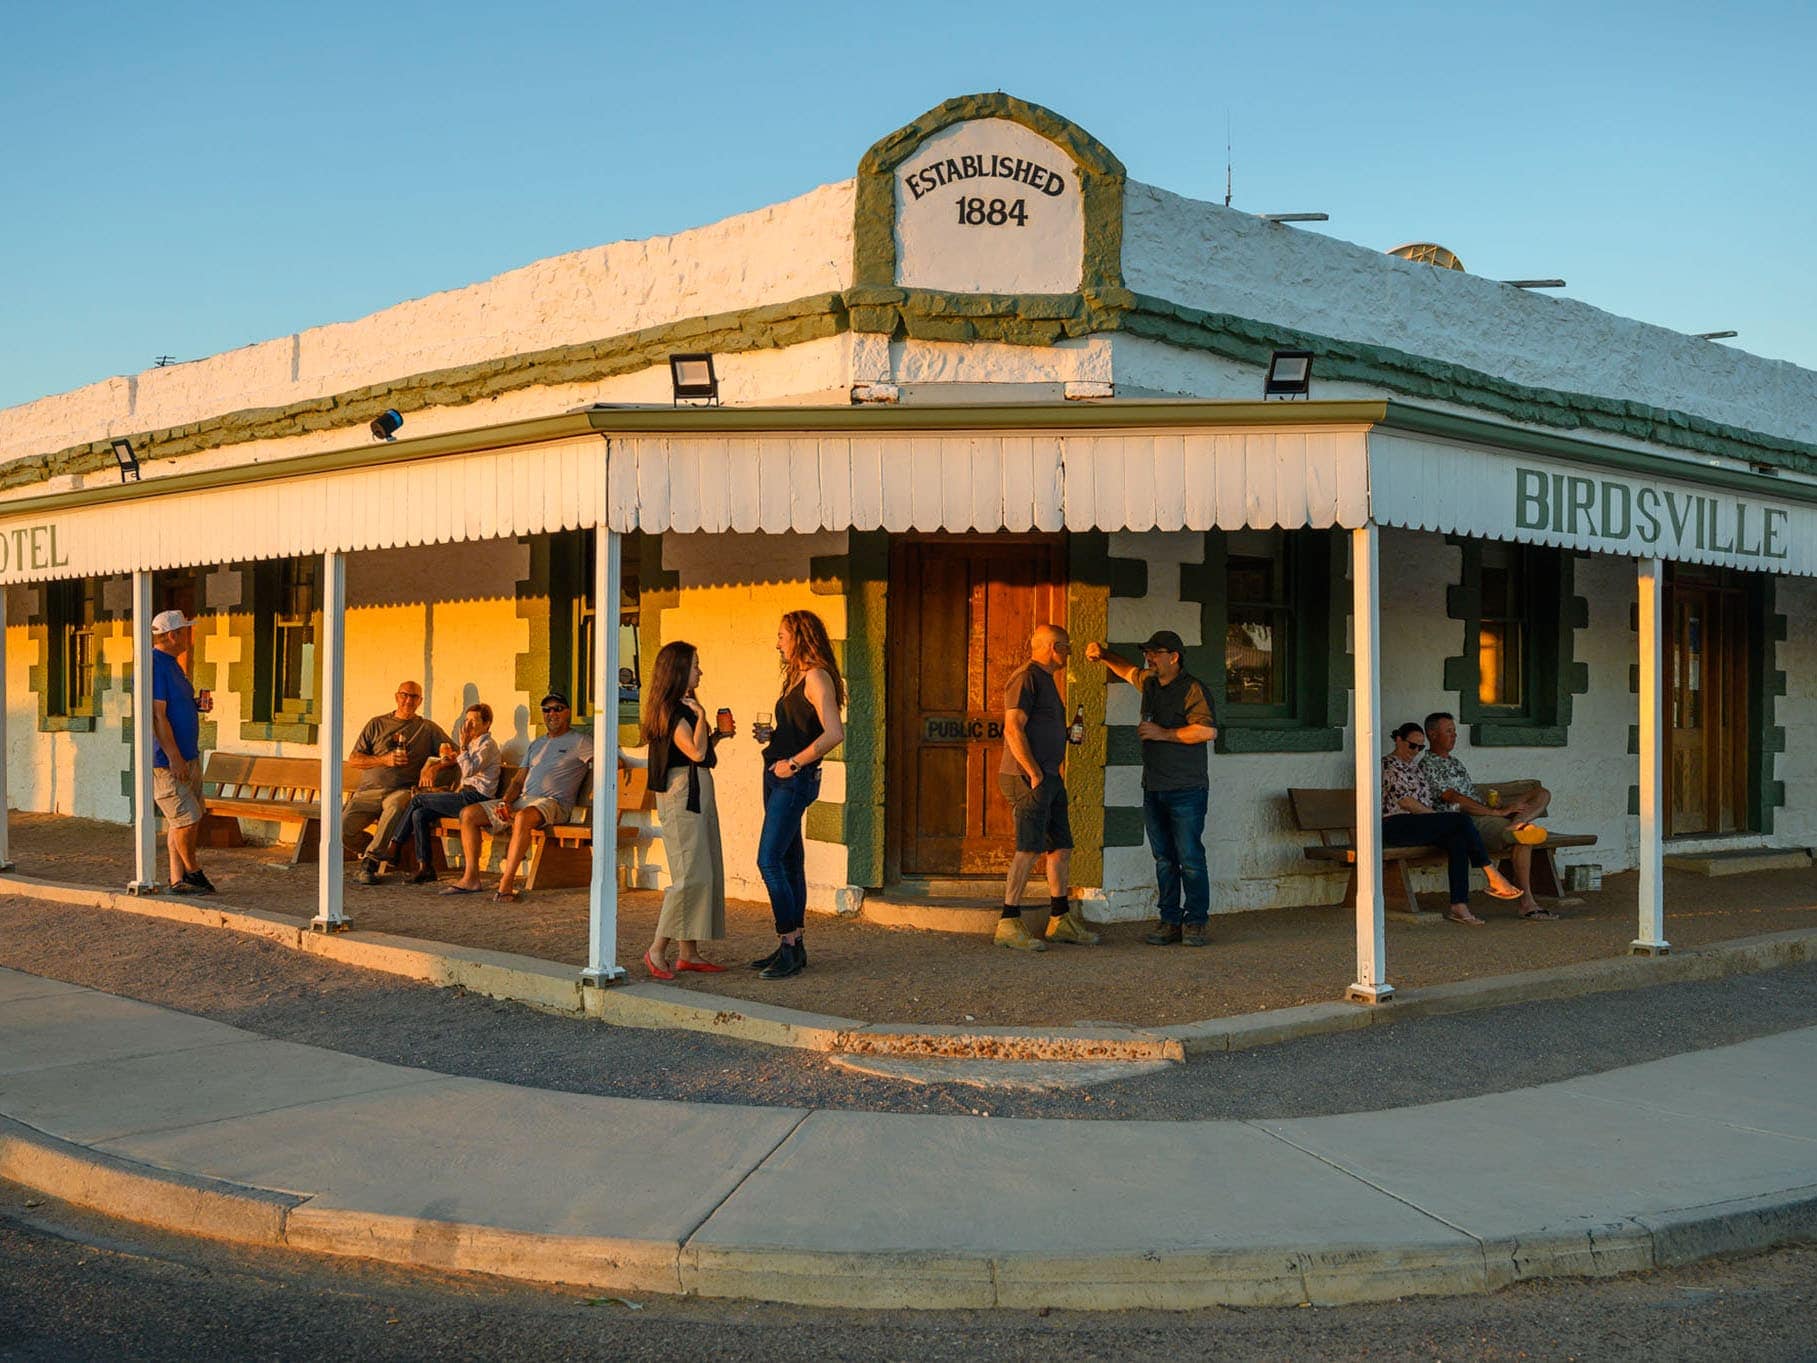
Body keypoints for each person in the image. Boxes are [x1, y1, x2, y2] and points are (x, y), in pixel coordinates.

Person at [1083, 630, 1218, 946]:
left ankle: (1196, 922)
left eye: (1155, 653)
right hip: (1154, 786)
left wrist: (1163, 733)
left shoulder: (1193, 688)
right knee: (1164, 859)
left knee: (1190, 858)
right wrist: (1103, 655)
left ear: (1174, 657)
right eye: (1147, 653)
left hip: (1186, 788)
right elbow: (1127, 670)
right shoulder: (1151, 683)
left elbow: (1207, 731)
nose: (1149, 658)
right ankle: (1169, 921)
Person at [750, 609, 845, 980]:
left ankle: (788, 942)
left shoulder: (818, 677)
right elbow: (800, 729)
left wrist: (792, 762)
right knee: (789, 860)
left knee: (768, 860)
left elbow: (833, 733)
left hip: (792, 779)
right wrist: (773, 739)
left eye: (782, 636)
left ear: (801, 636)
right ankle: (794, 945)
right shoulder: (796, 677)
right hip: (776, 774)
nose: (778, 643)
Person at [996, 623, 1095, 952]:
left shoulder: (1047, 680)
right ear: (1052, 647)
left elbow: (1038, 726)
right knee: (1028, 848)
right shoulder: (1027, 677)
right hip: (1029, 777)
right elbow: (1013, 728)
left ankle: (1059, 919)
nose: (1068, 653)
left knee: (1060, 848)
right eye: (1066, 647)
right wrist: (1034, 772)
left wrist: (1063, 735)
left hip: (1050, 775)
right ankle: (1008, 922)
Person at [442, 692, 592, 900]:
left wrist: (616, 766)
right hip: (524, 799)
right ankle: (471, 878)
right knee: (469, 814)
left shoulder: (580, 741)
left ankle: (506, 884)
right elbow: (518, 781)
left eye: (557, 708)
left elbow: (608, 762)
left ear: (568, 712)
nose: (552, 714)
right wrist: (505, 802)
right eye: (547, 710)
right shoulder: (537, 744)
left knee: (522, 818)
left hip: (554, 804)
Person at [639, 642, 729, 978]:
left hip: (695, 788)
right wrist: (703, 718)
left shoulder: (681, 707)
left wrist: (716, 735)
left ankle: (688, 952)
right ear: (679, 670)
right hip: (682, 793)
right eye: (695, 665)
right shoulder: (673, 710)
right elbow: (693, 751)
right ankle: (657, 949)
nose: (700, 671)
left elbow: (698, 752)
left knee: (704, 868)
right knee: (689, 873)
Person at [1380, 722, 1524, 924]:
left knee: (1458, 839)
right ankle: (1492, 874)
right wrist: (1435, 817)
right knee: (1460, 821)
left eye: (1420, 748)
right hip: (1395, 825)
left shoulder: (1414, 767)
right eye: (1412, 745)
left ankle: (1459, 905)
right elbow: (1406, 802)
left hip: (1419, 823)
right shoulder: (1387, 765)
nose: (1415, 751)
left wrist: (1437, 818)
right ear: (1398, 740)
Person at [1420, 711, 1559, 920]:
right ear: (1432, 734)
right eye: (1449, 731)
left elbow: (1469, 795)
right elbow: (1453, 798)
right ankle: (1527, 902)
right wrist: (1494, 812)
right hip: (1466, 821)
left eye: (1454, 731)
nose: (1454, 736)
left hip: (1487, 813)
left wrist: (1499, 806)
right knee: (1523, 838)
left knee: (1542, 793)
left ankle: (1519, 822)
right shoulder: (1428, 765)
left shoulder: (1456, 763)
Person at [378, 702, 502, 885]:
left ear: (487, 724)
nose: (468, 725)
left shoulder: (488, 745)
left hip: (477, 799)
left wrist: (463, 746)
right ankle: (425, 867)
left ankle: (395, 845)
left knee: (419, 799)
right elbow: (456, 762)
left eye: (474, 721)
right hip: (464, 795)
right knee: (420, 814)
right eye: (467, 720)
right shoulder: (474, 744)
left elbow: (468, 770)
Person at [345, 681, 450, 884]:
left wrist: (434, 766)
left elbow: (452, 754)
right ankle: (380, 851)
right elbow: (354, 759)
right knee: (343, 830)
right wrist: (384, 760)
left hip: (401, 790)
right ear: (396, 697)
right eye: (405, 695)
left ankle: (371, 862)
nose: (408, 700)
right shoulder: (376, 724)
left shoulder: (426, 728)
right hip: (369, 792)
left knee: (394, 807)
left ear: (420, 701)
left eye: (414, 697)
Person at [148, 609, 213, 896]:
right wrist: (173, 756)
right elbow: (157, 715)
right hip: (168, 761)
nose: (189, 635)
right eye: (185, 630)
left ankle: (178, 879)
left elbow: (174, 706)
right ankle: (194, 871)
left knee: (183, 819)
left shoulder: (173, 664)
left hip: (188, 755)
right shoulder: (154, 664)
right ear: (172, 635)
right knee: (188, 817)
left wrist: (195, 704)